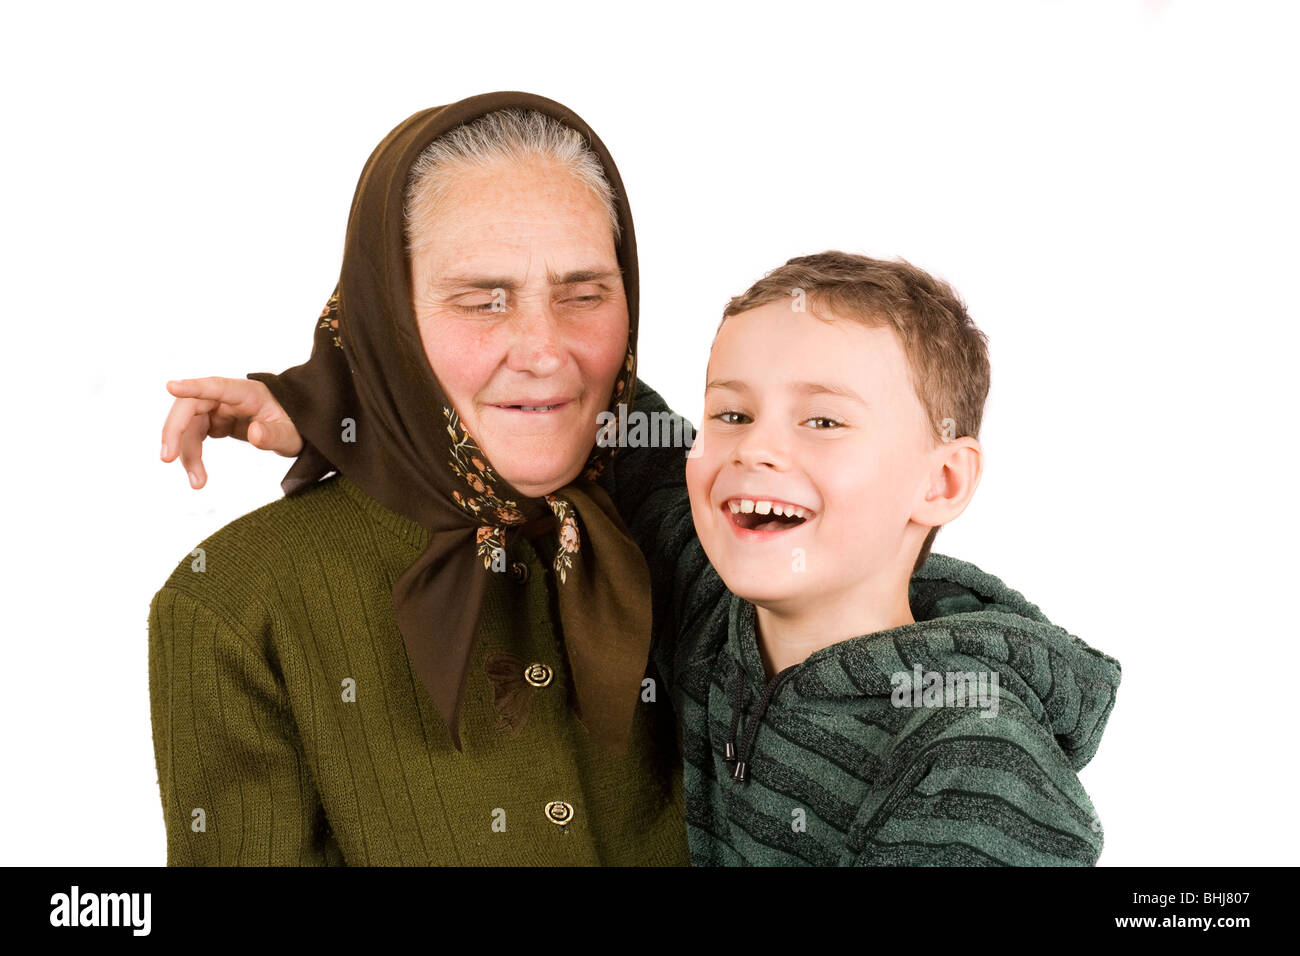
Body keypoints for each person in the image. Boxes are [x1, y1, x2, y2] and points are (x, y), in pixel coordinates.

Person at [149, 93, 693, 865]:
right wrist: (339, 397)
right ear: (387, 317)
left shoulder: (699, 530)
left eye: (584, 295)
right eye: (482, 300)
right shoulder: (237, 604)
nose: (544, 351)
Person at [616, 251, 1123, 864]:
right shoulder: (705, 600)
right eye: (732, 414)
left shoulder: (974, 767)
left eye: (824, 420)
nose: (755, 447)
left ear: (941, 482)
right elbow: (605, 414)